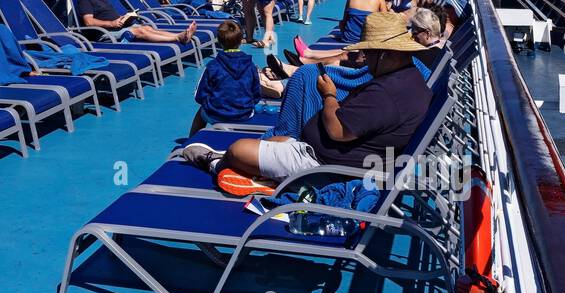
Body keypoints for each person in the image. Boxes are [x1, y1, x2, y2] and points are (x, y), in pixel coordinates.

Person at [182, 12, 433, 180]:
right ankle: (233, 161)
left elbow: (337, 131)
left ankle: (216, 164)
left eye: (368, 53)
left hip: (322, 163)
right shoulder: (409, 79)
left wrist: (329, 95)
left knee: (238, 149)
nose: (364, 58)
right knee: (278, 139)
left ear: (385, 53)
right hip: (325, 149)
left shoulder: (387, 93)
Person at [288, 0, 389, 66]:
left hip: (349, 36)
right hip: (365, 38)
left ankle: (309, 54)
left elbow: (344, 20)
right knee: (349, 52)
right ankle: (309, 55)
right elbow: (386, 23)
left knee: (348, 52)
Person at [75, 0, 197, 44]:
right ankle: (178, 38)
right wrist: (111, 23)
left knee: (147, 27)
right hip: (104, 34)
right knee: (140, 31)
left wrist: (125, 18)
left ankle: (179, 35)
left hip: (117, 27)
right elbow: (89, 22)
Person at [189, 20, 261, 136]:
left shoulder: (212, 66)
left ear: (219, 42)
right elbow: (256, 94)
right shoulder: (251, 66)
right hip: (244, 114)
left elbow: (199, 96)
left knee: (200, 113)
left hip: (217, 114)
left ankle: (191, 141)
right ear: (240, 41)